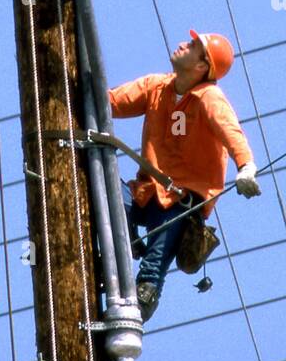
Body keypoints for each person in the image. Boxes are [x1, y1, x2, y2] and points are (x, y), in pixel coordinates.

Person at [109, 29, 261, 321]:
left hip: (181, 203)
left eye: (192, 45)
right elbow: (110, 103)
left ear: (202, 66)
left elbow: (231, 132)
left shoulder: (209, 97)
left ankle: (132, 317)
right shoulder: (157, 87)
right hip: (145, 192)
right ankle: (123, 241)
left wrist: (246, 167)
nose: (182, 44)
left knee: (149, 277)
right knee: (104, 187)